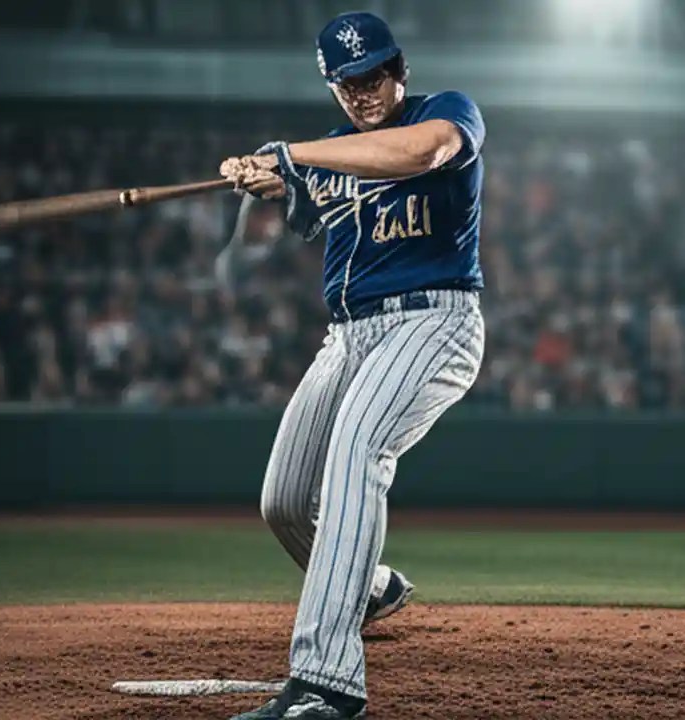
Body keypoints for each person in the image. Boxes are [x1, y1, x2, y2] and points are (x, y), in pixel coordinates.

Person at [220, 11, 486, 719]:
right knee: (283, 500)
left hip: (433, 321)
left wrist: (292, 155)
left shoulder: (446, 112)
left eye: (373, 75)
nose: (362, 91)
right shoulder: (332, 150)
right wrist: (260, 175)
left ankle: (326, 684)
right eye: (347, 82)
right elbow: (297, 192)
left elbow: (420, 154)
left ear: (399, 69)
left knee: (357, 451)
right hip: (348, 336)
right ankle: (367, 588)